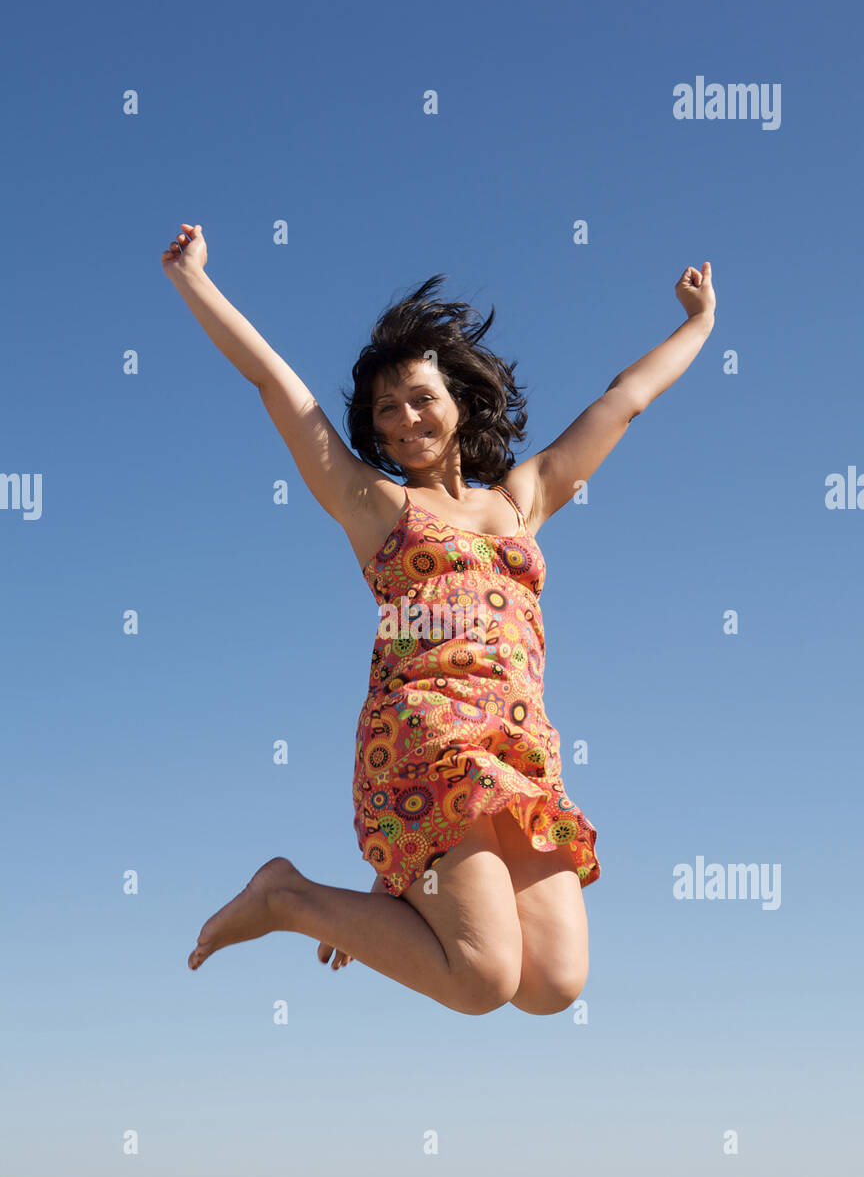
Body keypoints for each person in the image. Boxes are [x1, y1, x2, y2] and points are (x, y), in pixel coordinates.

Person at [162, 225, 715, 1015]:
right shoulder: (377, 506)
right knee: (481, 979)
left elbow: (621, 402)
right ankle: (287, 896)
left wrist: (698, 325)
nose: (406, 418)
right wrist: (195, 281)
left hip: (519, 752)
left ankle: (384, 910)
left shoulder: (520, 501)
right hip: (425, 736)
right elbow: (274, 384)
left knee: (555, 982)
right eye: (388, 409)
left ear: (460, 400)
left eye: (422, 397)